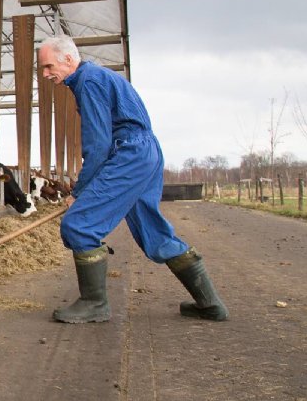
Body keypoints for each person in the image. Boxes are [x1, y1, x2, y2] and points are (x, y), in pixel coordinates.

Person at [37, 35, 228, 323]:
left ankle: (94, 303)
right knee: (155, 234)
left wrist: (81, 190)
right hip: (146, 151)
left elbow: (98, 144)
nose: (45, 74)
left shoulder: (88, 81)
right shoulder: (98, 77)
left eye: (48, 66)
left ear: (68, 58)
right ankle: (210, 304)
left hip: (128, 151)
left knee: (78, 224)